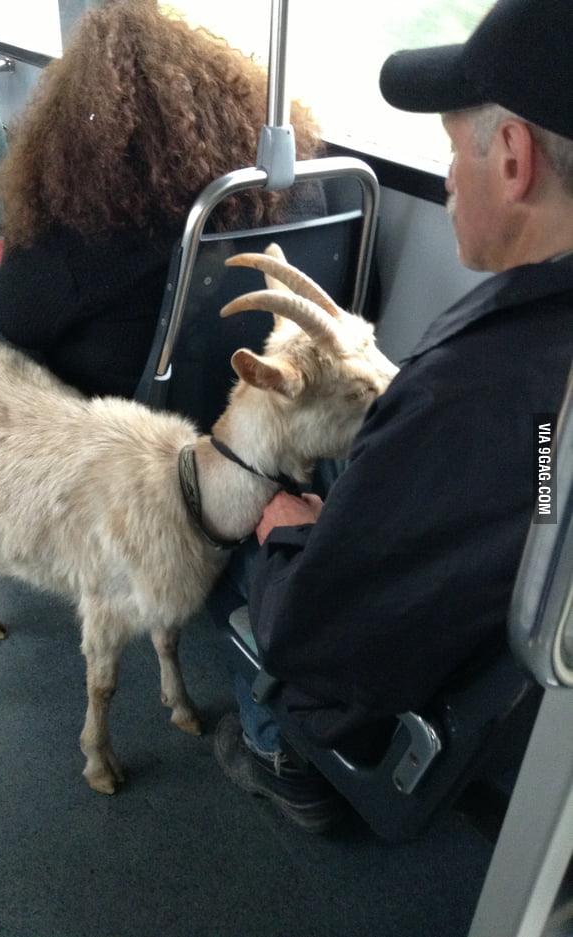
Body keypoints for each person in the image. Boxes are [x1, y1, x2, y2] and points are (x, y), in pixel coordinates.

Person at [214, 0, 573, 833]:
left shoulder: (463, 399)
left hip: (378, 678)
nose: (446, 178)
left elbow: (309, 630)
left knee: (244, 539)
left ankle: (281, 757)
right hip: (499, 624)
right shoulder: (536, 384)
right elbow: (541, 485)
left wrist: (285, 532)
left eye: (452, 151)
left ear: (515, 158)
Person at [0, 0, 325, 399]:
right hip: (275, 398)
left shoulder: (92, 223)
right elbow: (357, 297)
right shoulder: (301, 187)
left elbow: (13, 318)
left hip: (133, 425)